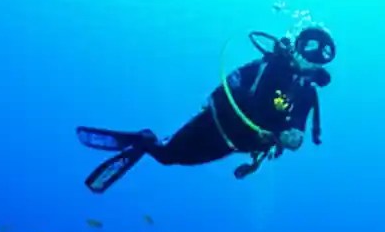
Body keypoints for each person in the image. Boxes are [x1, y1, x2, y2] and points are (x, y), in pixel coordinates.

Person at [77, 26, 336, 193]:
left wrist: (293, 138)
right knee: (168, 156)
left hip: (234, 143)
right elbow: (243, 93)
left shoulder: (306, 93)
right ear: (298, 44)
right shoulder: (271, 66)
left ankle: (146, 142)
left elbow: (298, 128)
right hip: (216, 122)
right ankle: (144, 141)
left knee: (170, 159)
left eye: (320, 56)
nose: (310, 58)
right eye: (308, 47)